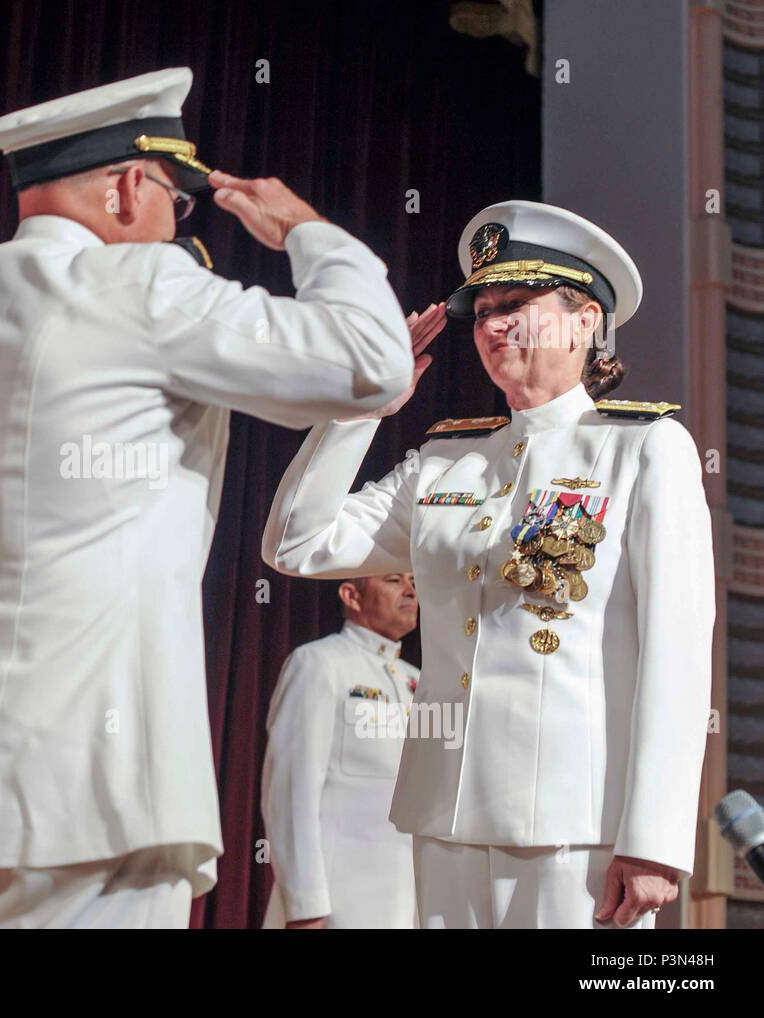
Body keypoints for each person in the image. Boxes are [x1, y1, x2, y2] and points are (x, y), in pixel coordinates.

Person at [0, 67, 414, 929]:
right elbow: (374, 360)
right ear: (128, 187)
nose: (172, 225)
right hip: (94, 802)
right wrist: (307, 231)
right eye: (175, 205)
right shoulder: (136, 290)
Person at [262, 200, 714, 929]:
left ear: (585, 320)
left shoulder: (642, 449)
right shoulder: (447, 461)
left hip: (577, 827)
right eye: (481, 309)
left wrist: (656, 837)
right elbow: (295, 542)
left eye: (517, 304)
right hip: (444, 817)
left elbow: (678, 653)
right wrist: (363, 408)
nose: (494, 324)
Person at [261, 573, 421, 929]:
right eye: (394, 580)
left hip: (413, 903)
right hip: (341, 901)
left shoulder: (420, 682)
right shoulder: (319, 663)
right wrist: (305, 905)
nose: (410, 590)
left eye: (413, 580)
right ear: (352, 595)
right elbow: (291, 792)